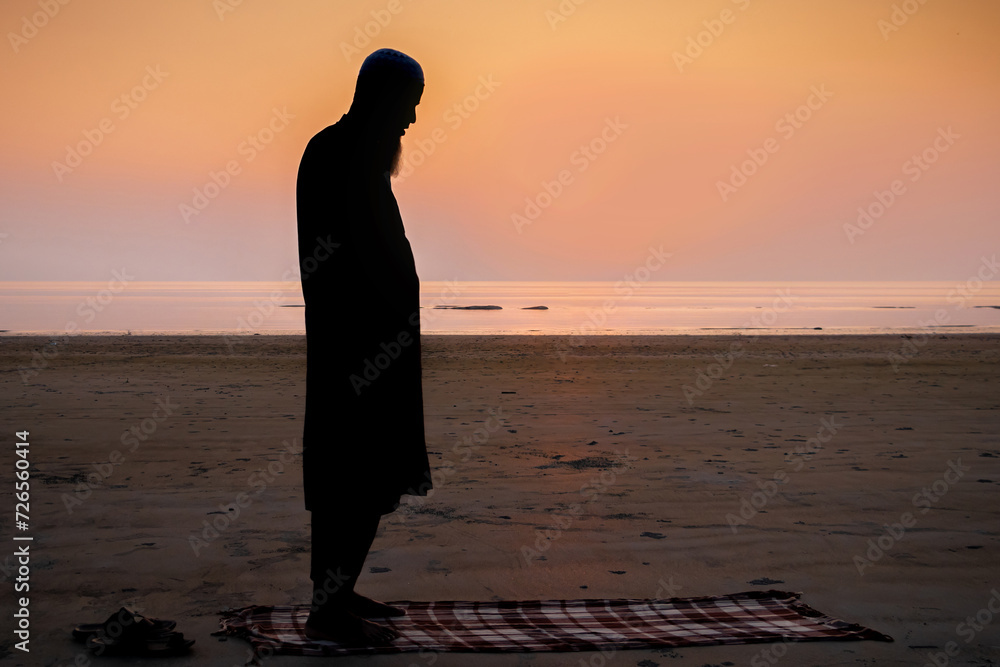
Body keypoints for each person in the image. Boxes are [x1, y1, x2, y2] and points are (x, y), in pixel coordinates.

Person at [295, 47, 432, 646]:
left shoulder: (360, 155)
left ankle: (340, 592)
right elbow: (342, 260)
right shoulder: (339, 155)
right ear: (381, 97)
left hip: (378, 344)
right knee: (349, 477)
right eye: (406, 107)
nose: (409, 122)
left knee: (366, 475)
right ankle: (328, 611)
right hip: (355, 349)